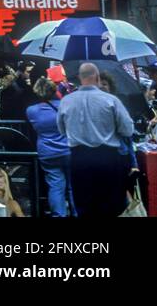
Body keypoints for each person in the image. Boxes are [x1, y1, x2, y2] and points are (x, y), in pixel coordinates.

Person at [56, 62, 134, 216]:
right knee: (110, 204)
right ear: (97, 77)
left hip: (79, 158)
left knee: (84, 204)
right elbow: (127, 129)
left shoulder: (66, 101)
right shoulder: (111, 100)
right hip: (108, 158)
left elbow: (62, 130)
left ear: (79, 78)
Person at [26, 77, 73, 216]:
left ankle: (58, 215)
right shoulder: (66, 106)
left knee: (55, 186)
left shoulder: (31, 111)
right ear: (54, 90)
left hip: (47, 152)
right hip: (69, 149)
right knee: (73, 186)